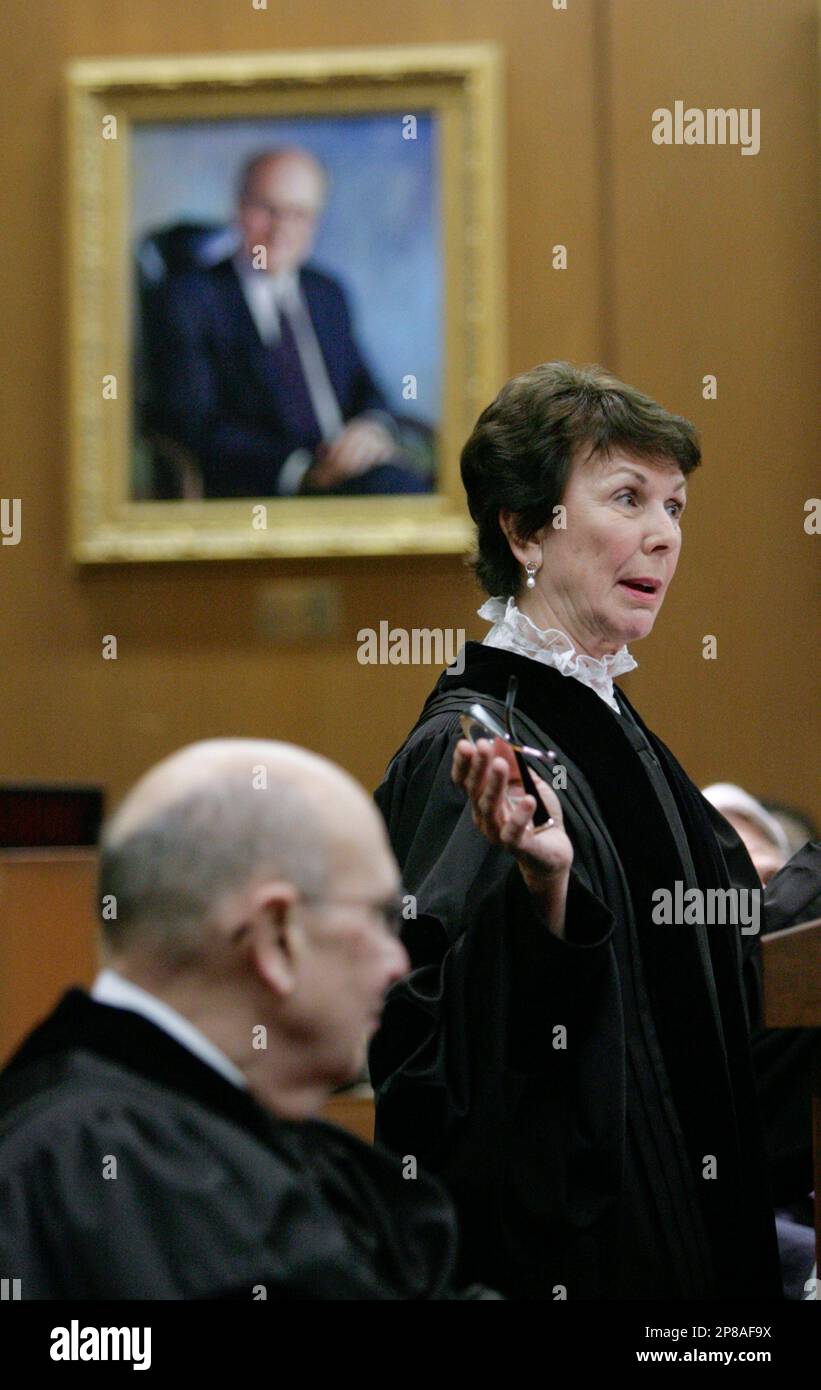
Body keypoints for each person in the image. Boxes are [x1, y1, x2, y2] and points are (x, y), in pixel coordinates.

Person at [369, 361, 784, 1301]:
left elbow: (727, 951)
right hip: (582, 1260)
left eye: (675, 507)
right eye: (627, 497)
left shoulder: (610, 726)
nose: (663, 537)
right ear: (523, 529)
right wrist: (546, 902)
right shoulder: (474, 750)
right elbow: (432, 1052)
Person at [0, 739, 491, 1299]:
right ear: (276, 935)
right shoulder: (123, 1177)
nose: (398, 962)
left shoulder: (151, 1131)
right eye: (378, 918)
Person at [152, 147, 428, 498]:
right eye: (268, 209)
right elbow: (195, 424)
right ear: (238, 208)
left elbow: (366, 387)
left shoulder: (326, 293)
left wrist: (370, 429)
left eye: (299, 214)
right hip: (268, 489)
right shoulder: (191, 299)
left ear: (315, 221)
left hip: (353, 474)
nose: (281, 229)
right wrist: (303, 471)